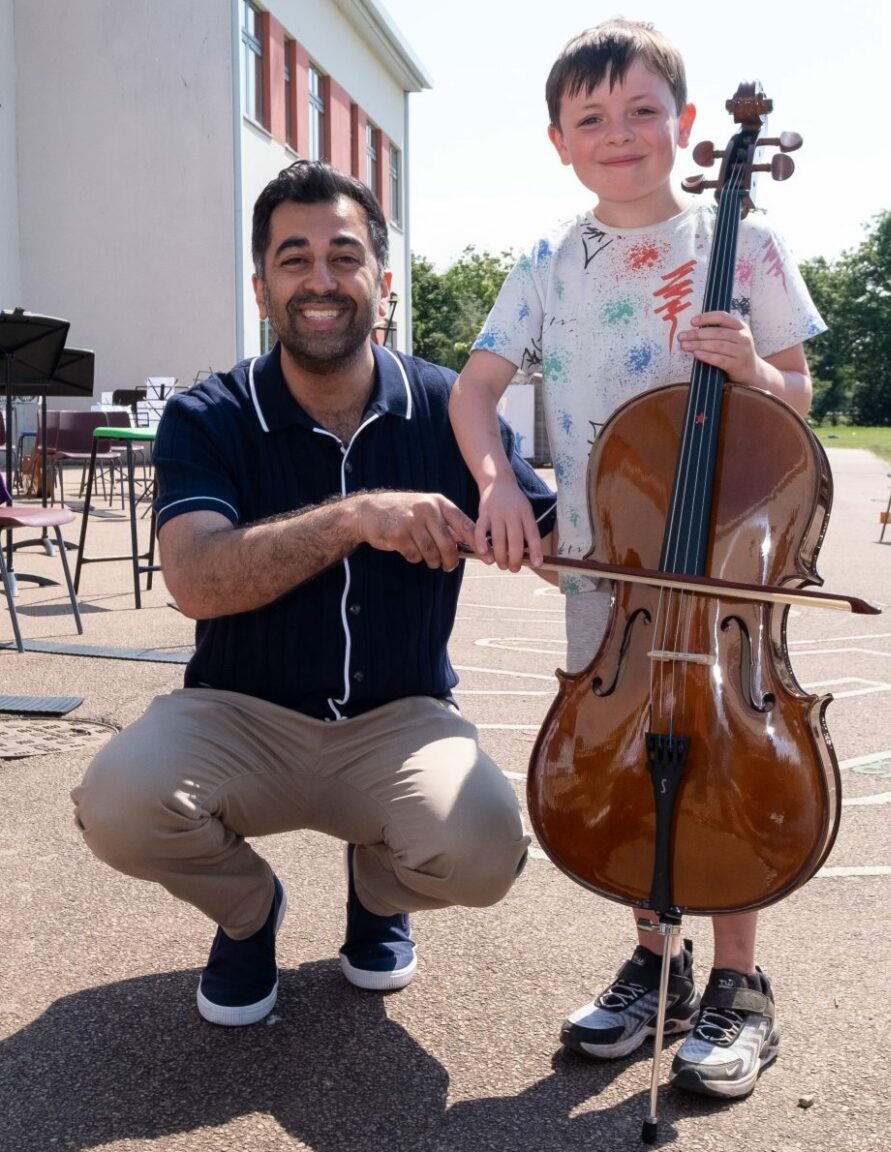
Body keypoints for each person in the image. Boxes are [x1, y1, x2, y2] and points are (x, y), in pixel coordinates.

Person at [71, 160, 556, 1028]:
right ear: (262, 287)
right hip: (237, 714)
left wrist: (567, 522)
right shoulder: (207, 413)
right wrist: (350, 518)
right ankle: (249, 914)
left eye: (344, 254)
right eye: (294, 260)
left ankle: (377, 893)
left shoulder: (451, 404)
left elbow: (556, 543)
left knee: (484, 851)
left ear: (383, 279)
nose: (321, 280)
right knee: (117, 803)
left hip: (401, 716)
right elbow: (195, 581)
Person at [448, 19, 825, 1100]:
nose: (620, 134)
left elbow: (800, 405)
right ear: (561, 141)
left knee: (721, 753)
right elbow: (475, 393)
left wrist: (754, 364)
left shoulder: (742, 244)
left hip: (719, 560)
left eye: (642, 112)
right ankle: (657, 962)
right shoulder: (547, 262)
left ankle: (740, 985)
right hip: (607, 571)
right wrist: (497, 482)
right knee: (632, 749)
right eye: (592, 119)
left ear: (688, 127)